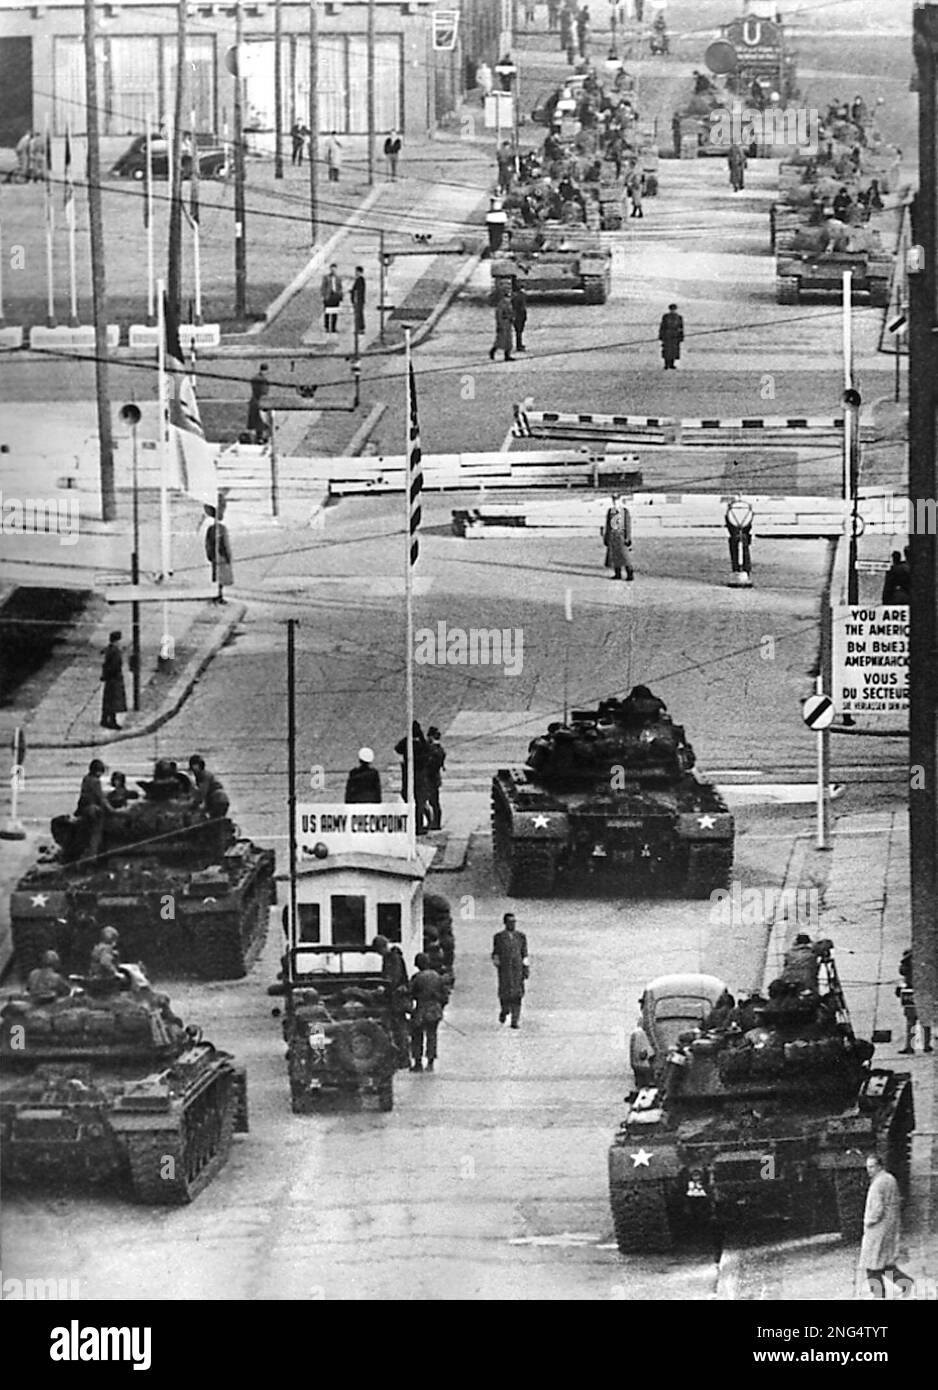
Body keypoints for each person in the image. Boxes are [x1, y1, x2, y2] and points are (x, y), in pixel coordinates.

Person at [860, 1154, 913, 1298]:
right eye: (867, 1167)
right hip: (890, 1227)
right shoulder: (890, 1179)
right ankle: (905, 1283)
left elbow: (876, 1209)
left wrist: (867, 1221)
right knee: (884, 1263)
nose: (869, 1170)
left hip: (877, 1230)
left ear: (879, 1166)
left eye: (871, 1167)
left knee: (872, 1265)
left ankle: (878, 1295)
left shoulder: (877, 1184)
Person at [371, 934, 411, 1065]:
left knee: (399, 1029)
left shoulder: (393, 958)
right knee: (397, 1028)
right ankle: (401, 1057)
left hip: (397, 1000)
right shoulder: (391, 957)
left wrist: (384, 987)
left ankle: (403, 1058)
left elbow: (394, 978)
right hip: (394, 998)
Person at [408, 951, 449, 1072]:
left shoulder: (417, 977)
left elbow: (411, 994)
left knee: (417, 1035)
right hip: (435, 1010)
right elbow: (445, 996)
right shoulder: (437, 976)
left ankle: (418, 1062)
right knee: (432, 1035)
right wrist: (440, 1007)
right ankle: (430, 1062)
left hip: (421, 1010)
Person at [492, 912, 530, 1027]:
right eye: (510, 922)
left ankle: (515, 1020)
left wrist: (526, 968)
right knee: (505, 993)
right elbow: (495, 953)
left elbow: (525, 954)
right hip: (505, 971)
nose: (512, 924)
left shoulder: (521, 936)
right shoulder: (498, 937)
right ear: (505, 923)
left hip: (517, 970)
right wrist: (497, 963)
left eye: (514, 922)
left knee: (518, 994)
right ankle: (504, 1011)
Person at [395, 722, 432, 834]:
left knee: (409, 800)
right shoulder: (422, 744)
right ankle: (419, 825)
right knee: (419, 803)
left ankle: (412, 824)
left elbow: (397, 748)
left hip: (409, 775)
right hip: (420, 777)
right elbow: (429, 751)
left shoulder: (407, 743)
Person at [897, 947, 932, 1054]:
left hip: (911, 991)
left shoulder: (906, 962)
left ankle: (910, 1046)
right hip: (924, 991)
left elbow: (902, 971)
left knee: (910, 1021)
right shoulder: (927, 961)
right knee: (925, 1021)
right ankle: (926, 1045)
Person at [602, 493, 634, 580]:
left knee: (624, 556)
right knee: (614, 556)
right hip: (613, 536)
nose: (615, 502)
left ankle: (630, 573)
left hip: (621, 536)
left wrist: (628, 537)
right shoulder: (610, 511)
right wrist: (606, 537)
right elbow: (608, 525)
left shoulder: (624, 511)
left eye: (617, 500)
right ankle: (618, 573)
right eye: (614, 501)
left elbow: (627, 525)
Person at [100, 631, 127, 731]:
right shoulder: (115, 651)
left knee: (108, 700)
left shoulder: (110, 649)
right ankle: (111, 720)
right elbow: (114, 666)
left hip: (110, 678)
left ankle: (106, 719)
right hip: (114, 679)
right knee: (113, 701)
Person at [204, 515, 234, 601]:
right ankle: (219, 595)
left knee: (217, 576)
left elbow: (207, 543)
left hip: (214, 556)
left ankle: (218, 594)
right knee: (222, 577)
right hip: (222, 555)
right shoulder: (222, 529)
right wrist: (229, 556)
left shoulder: (211, 529)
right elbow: (226, 543)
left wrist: (209, 555)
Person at [725, 496, 754, 576]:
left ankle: (738, 569)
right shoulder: (746, 513)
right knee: (743, 552)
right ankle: (745, 570)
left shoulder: (731, 514)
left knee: (737, 553)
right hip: (743, 535)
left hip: (735, 536)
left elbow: (729, 523)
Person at [424, 727, 446, 830]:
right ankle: (435, 822)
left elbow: (430, 765)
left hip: (430, 779)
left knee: (430, 802)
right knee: (434, 802)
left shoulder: (433, 750)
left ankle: (434, 822)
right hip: (434, 779)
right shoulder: (440, 749)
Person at [490, 287, 514, 362]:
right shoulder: (502, 304)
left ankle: (507, 355)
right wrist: (499, 324)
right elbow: (499, 315)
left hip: (508, 324)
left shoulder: (508, 303)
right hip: (503, 324)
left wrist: (512, 318)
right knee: (500, 340)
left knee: (508, 341)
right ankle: (493, 351)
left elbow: (511, 313)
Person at [658, 302, 684, 370]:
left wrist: (681, 336)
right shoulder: (666, 317)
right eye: (672, 309)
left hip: (675, 336)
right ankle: (666, 364)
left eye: (674, 309)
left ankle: (672, 364)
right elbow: (662, 326)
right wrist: (661, 335)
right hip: (667, 336)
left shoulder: (679, 317)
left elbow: (681, 327)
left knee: (674, 351)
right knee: (666, 350)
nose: (673, 311)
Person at [320, 263, 343, 334]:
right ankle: (326, 327)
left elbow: (340, 287)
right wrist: (323, 296)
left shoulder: (338, 278)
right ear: (330, 269)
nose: (333, 270)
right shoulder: (326, 277)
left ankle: (333, 327)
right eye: (331, 269)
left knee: (334, 313)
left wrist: (340, 296)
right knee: (327, 312)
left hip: (335, 296)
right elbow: (323, 287)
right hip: (328, 296)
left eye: (334, 269)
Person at [510, 280, 528, 354]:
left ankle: (519, 345)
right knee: (519, 331)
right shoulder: (521, 296)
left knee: (518, 331)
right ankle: (519, 345)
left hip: (516, 315)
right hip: (519, 315)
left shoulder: (514, 296)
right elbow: (522, 307)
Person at [350, 265, 366, 339]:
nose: (355, 273)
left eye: (356, 271)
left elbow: (358, 291)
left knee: (358, 314)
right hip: (359, 301)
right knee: (359, 314)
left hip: (358, 301)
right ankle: (360, 327)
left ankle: (360, 328)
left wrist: (352, 292)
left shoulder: (359, 280)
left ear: (359, 272)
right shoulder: (360, 280)